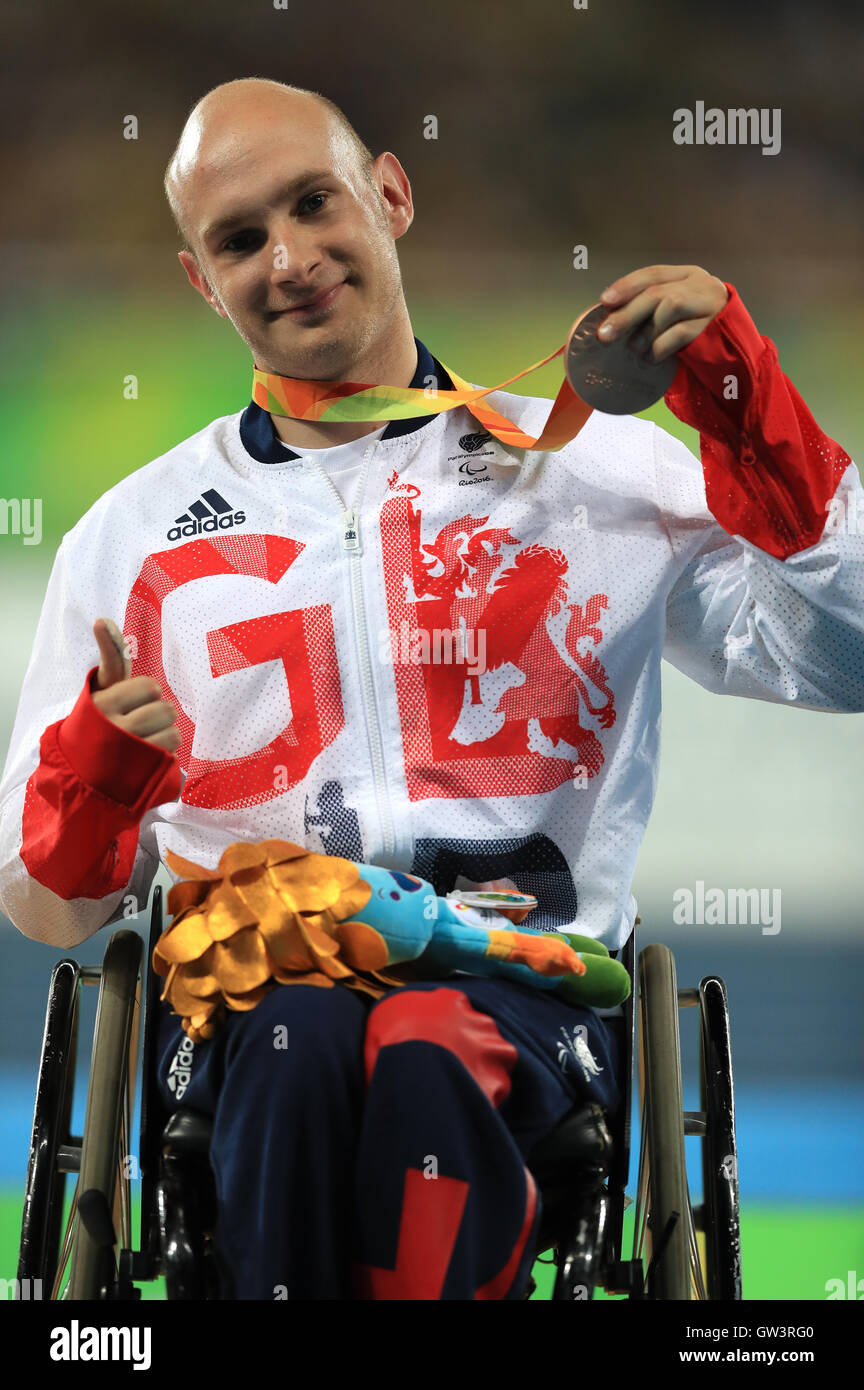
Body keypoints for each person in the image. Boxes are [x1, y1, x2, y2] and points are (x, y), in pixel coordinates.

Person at [1, 77, 862, 1300]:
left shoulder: (597, 473)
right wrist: (99, 781)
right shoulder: (126, 539)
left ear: (391, 195)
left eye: (314, 204)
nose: (290, 259)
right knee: (303, 1039)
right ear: (202, 278)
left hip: (527, 989)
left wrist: (747, 419)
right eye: (241, 239)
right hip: (246, 1013)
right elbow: (47, 915)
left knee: (422, 1044)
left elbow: (849, 655)